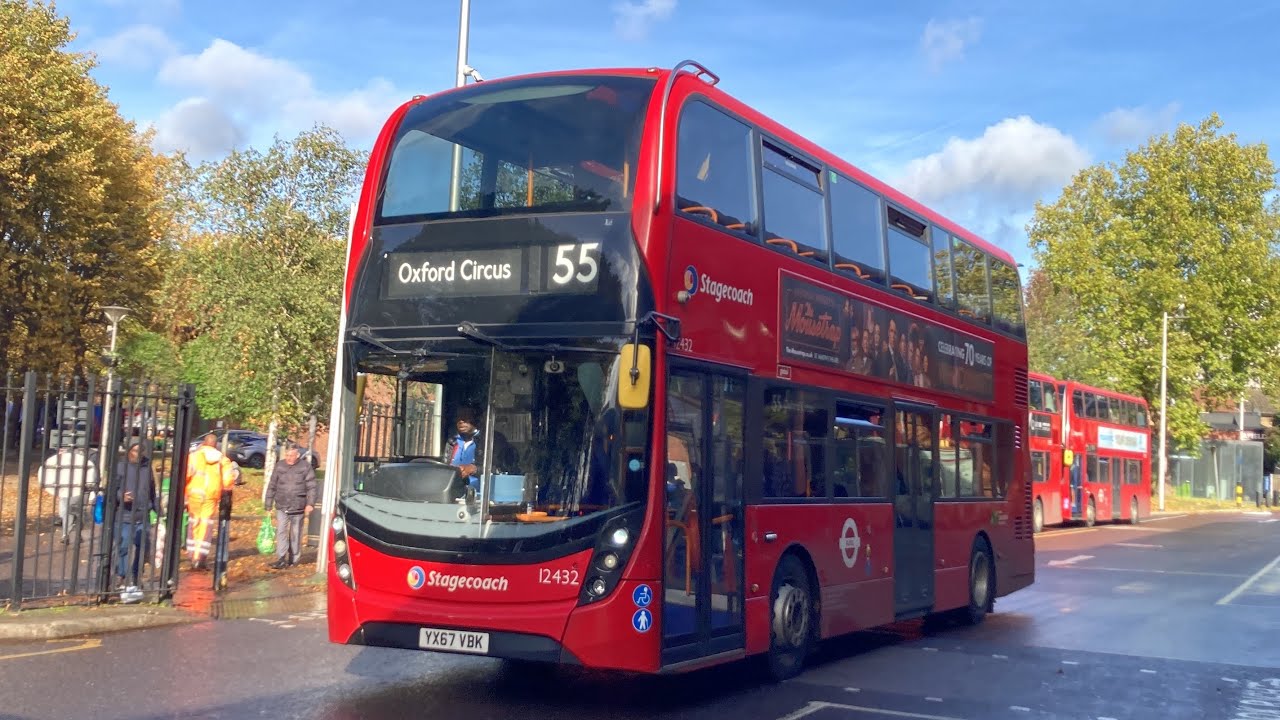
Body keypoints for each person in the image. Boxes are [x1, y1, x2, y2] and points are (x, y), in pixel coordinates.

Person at [185, 433, 234, 570]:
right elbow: (228, 480)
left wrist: (184, 495)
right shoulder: (222, 459)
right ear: (215, 445)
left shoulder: (194, 456)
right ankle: (200, 558)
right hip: (211, 496)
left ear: (204, 443)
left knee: (194, 524)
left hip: (194, 495)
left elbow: (186, 475)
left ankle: (192, 556)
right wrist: (226, 494)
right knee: (206, 526)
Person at [114, 441, 157, 594]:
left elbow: (152, 489)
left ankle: (136, 576)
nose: (138, 454)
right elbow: (112, 489)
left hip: (142, 513)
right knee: (124, 545)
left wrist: (158, 510)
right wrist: (120, 496)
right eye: (135, 451)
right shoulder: (121, 466)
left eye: (141, 451)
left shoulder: (147, 467)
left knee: (142, 546)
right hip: (124, 514)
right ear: (129, 451)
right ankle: (121, 574)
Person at [264, 444, 316, 569]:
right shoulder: (280, 465)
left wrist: (310, 503)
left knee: (295, 533)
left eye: (291, 455)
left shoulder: (305, 467)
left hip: (298, 505)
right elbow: (272, 484)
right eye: (287, 455)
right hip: (282, 504)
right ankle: (281, 558)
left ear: (297, 456)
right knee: (281, 530)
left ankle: (294, 559)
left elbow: (312, 486)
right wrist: (268, 503)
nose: (288, 458)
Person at [445, 414, 484, 486]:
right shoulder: (451, 441)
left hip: (480, 493)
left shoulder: (488, 440)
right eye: (458, 417)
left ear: (476, 419)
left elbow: (498, 469)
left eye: (465, 417)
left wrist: (474, 469)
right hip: (451, 487)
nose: (461, 421)